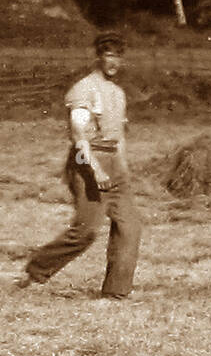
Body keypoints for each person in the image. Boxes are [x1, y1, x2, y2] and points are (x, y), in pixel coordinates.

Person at [20, 32, 142, 299]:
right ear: (98, 57)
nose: (113, 61)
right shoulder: (84, 89)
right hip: (86, 162)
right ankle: (36, 269)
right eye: (108, 54)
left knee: (130, 226)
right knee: (86, 232)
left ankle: (116, 293)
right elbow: (79, 136)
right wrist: (96, 171)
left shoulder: (118, 94)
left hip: (113, 163)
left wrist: (122, 172)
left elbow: (118, 137)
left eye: (118, 55)